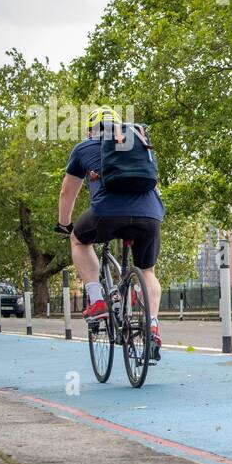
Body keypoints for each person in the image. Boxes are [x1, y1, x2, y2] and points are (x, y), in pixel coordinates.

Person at [55, 106, 165, 361]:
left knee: (79, 240)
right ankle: (152, 325)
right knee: (147, 272)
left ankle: (97, 300)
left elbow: (66, 193)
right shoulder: (141, 143)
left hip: (106, 214)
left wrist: (64, 224)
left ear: (89, 130)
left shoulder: (83, 148)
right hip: (149, 216)